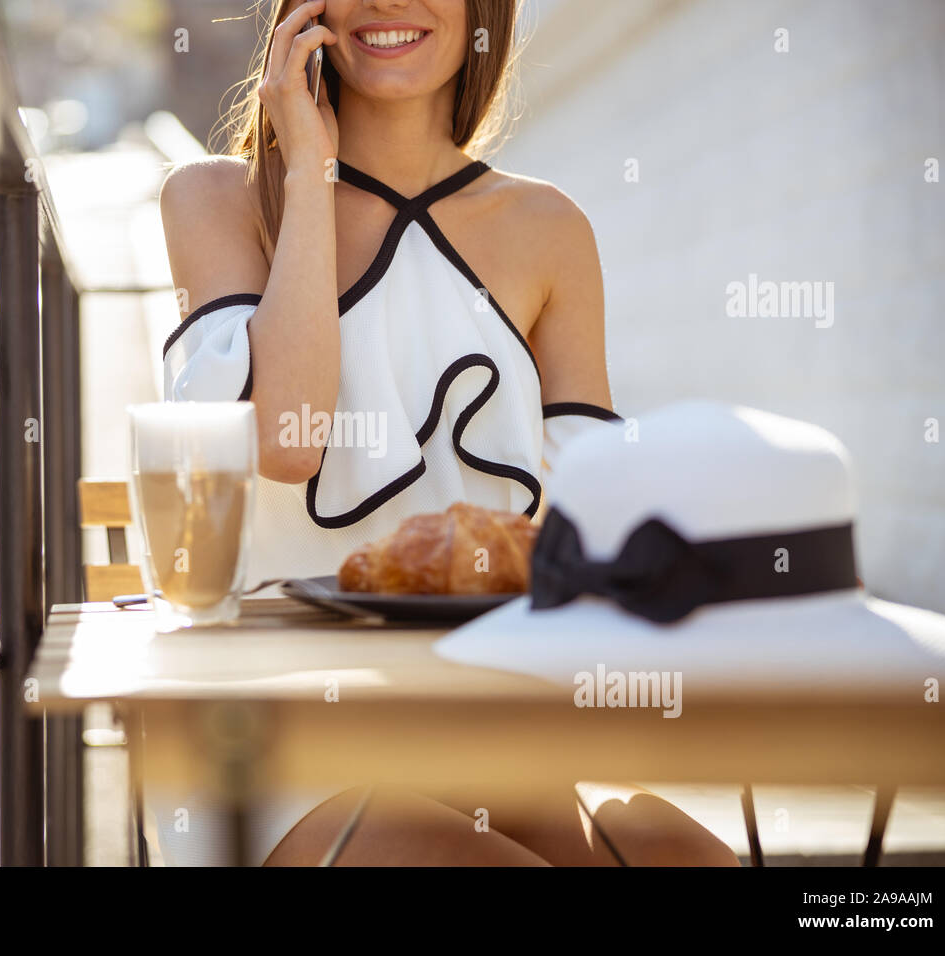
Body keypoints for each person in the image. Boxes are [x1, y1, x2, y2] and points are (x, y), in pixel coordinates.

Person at [155, 0, 738, 865]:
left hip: (489, 730)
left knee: (692, 860)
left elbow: (589, 531)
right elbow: (286, 441)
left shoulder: (548, 230)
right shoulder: (218, 200)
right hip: (280, 742)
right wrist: (310, 174)